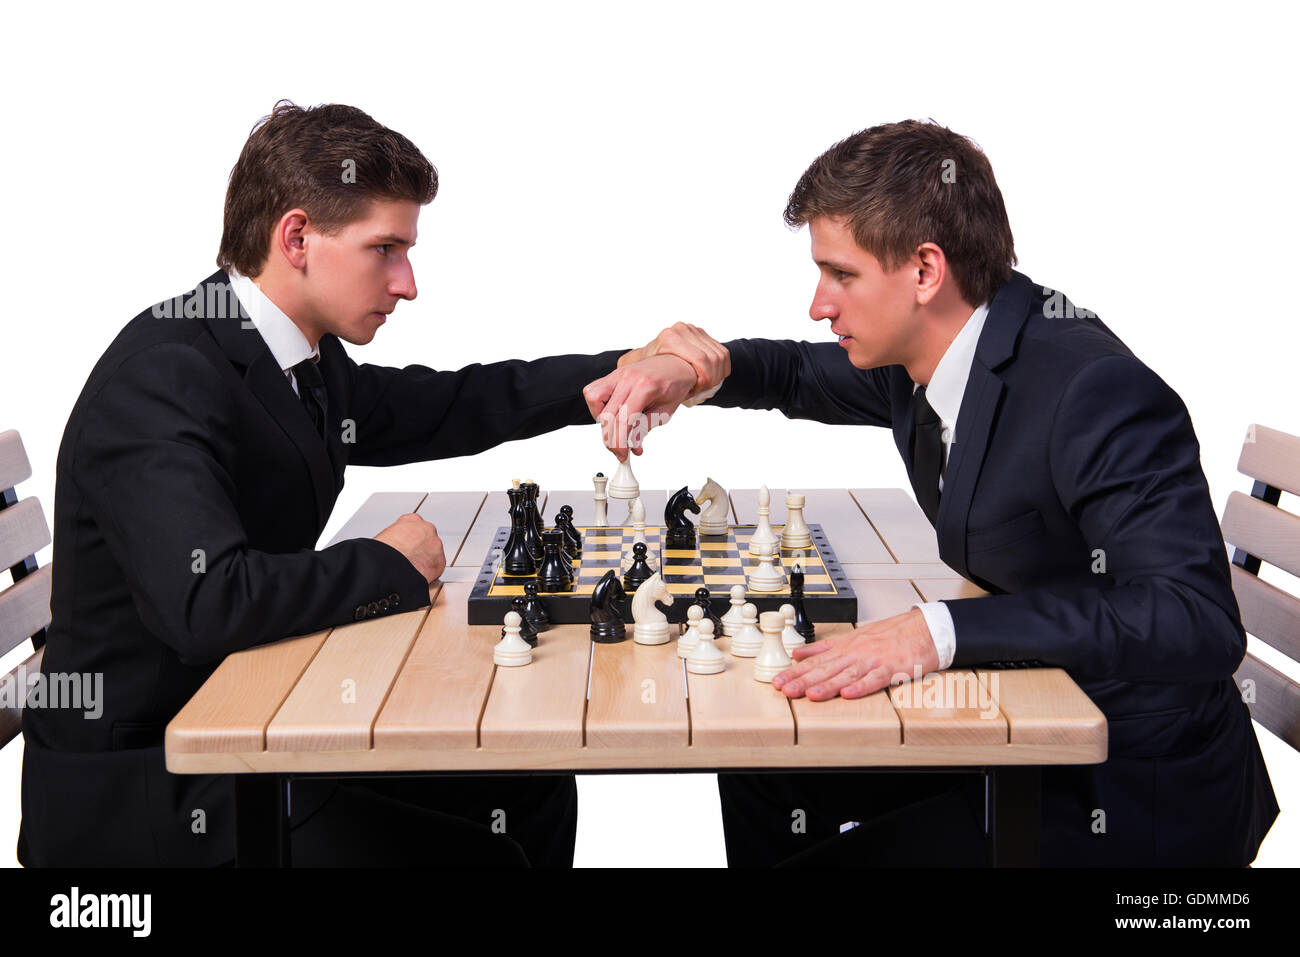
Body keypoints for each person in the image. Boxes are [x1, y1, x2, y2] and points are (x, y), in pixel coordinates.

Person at [17, 100, 699, 867]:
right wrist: (387, 565)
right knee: (489, 855)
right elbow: (205, 604)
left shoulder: (292, 357)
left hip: (249, 717)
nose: (407, 283)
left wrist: (617, 375)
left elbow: (447, 404)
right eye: (386, 249)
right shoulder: (165, 376)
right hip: (153, 787)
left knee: (530, 786)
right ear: (297, 236)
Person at [584, 119, 1280, 866]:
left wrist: (936, 632)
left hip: (1134, 786)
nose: (819, 305)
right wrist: (693, 372)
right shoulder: (928, 353)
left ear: (924, 271)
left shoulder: (1092, 390)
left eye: (840, 275)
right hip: (1027, 716)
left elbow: (1196, 619)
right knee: (766, 767)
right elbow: (790, 371)